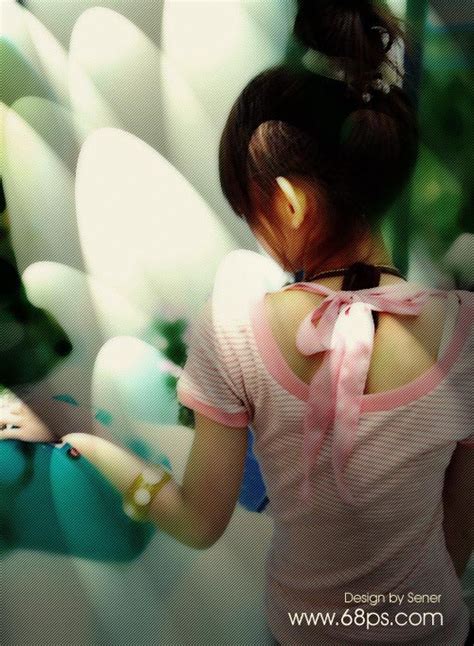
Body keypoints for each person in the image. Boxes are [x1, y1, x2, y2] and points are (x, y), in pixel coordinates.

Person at [1, 1, 472, 644]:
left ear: (289, 203)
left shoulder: (238, 331)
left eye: (252, 214)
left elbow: (200, 522)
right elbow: (458, 528)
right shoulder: (467, 332)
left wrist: (92, 447)